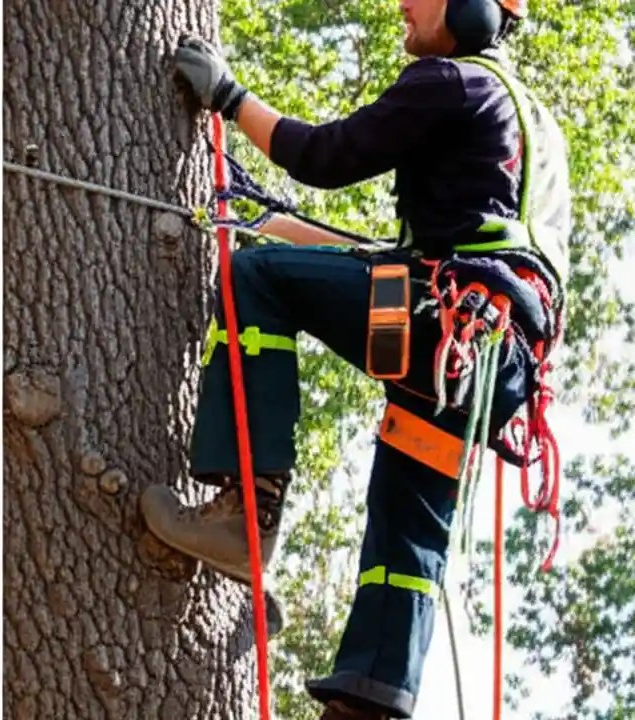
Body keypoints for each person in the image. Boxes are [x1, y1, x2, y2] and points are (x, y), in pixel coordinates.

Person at [139, 1, 570, 718]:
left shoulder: (450, 79)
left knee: (259, 278)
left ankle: (247, 509)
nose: (403, 4)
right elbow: (411, 258)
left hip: (446, 323)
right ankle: (369, 702)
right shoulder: (535, 124)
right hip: (487, 367)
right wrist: (270, 220)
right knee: (408, 530)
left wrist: (229, 98)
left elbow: (324, 157)